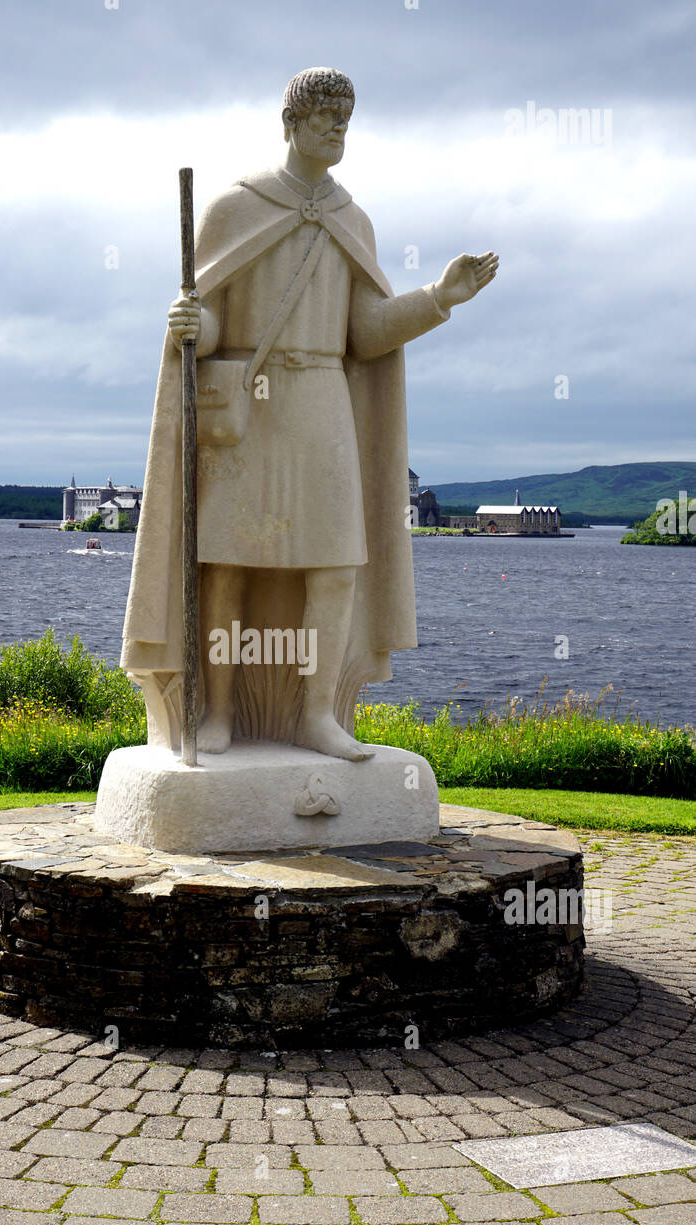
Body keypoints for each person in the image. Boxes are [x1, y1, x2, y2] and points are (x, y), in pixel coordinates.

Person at [121, 67, 497, 760]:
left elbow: (367, 332)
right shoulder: (235, 208)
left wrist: (438, 298)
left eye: (345, 120)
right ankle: (217, 713)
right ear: (289, 123)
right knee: (228, 563)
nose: (336, 130)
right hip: (248, 404)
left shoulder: (354, 219)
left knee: (334, 564)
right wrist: (186, 324)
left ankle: (317, 715)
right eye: (324, 117)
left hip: (323, 403)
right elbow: (206, 311)